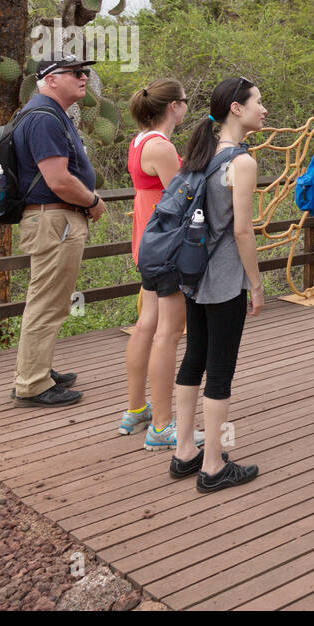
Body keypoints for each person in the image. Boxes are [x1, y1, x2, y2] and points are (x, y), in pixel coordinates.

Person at [168, 77, 265, 492]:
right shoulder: (241, 162)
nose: (264, 109)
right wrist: (256, 284)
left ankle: (184, 451)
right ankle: (211, 467)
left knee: (194, 357)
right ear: (236, 109)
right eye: (258, 102)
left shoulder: (202, 153)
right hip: (225, 278)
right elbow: (242, 231)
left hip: (193, 272)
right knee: (220, 368)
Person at [10, 51, 106, 407]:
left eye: (84, 72)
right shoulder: (44, 118)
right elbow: (58, 180)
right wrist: (93, 201)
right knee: (47, 303)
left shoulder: (49, 114)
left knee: (49, 301)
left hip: (54, 219)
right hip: (54, 219)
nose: (83, 77)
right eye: (75, 72)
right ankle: (32, 384)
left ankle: (37, 370)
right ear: (50, 80)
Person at [120, 79, 197, 448]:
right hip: (165, 245)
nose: (186, 106)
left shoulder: (139, 141)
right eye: (184, 101)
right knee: (169, 332)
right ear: (173, 107)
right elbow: (182, 198)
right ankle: (163, 426)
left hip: (146, 241)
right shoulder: (161, 146)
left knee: (147, 324)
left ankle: (136, 409)